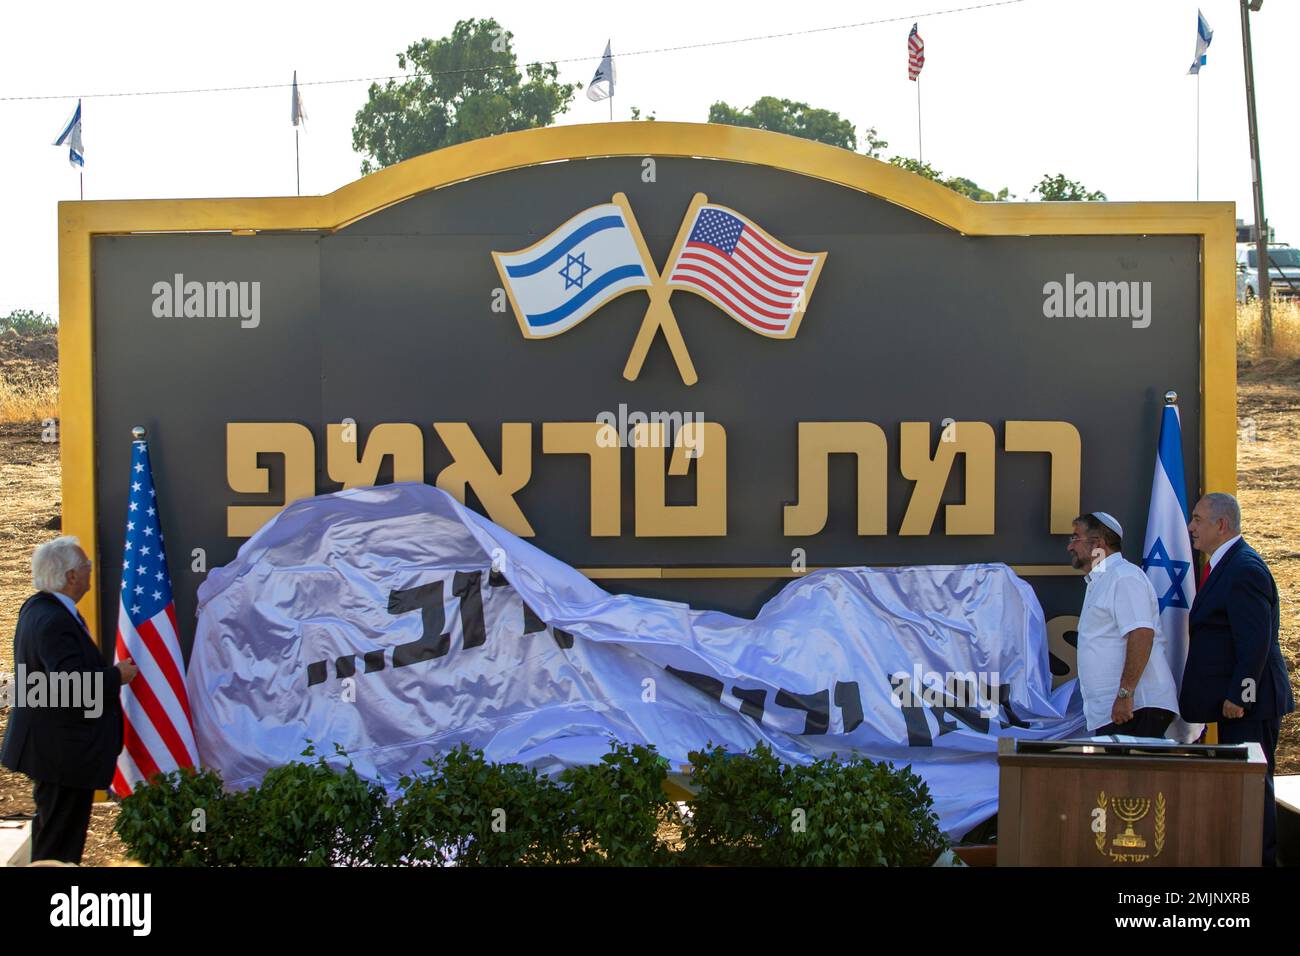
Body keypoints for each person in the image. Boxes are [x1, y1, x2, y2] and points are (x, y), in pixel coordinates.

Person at [0, 536, 137, 863]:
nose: (91, 569)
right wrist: (117, 676)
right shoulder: (53, 620)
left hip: (56, 749)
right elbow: (70, 685)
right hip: (61, 753)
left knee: (54, 832)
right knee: (60, 842)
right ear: (71, 576)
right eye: (85, 565)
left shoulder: (40, 607)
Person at [1183, 493, 1295, 867]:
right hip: (1235, 704)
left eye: (1198, 519)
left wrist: (1240, 696)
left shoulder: (1244, 568)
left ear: (1222, 525)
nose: (1191, 527)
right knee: (1238, 786)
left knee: (1252, 788)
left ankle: (1260, 861)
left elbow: (1255, 641)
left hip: (1250, 705)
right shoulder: (1226, 565)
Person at [1067, 511, 1180, 737]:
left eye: (1075, 538)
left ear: (1097, 544)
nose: (1070, 547)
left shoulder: (1124, 577)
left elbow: (1141, 634)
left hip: (1136, 708)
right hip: (1118, 711)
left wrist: (1125, 695)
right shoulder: (1100, 581)